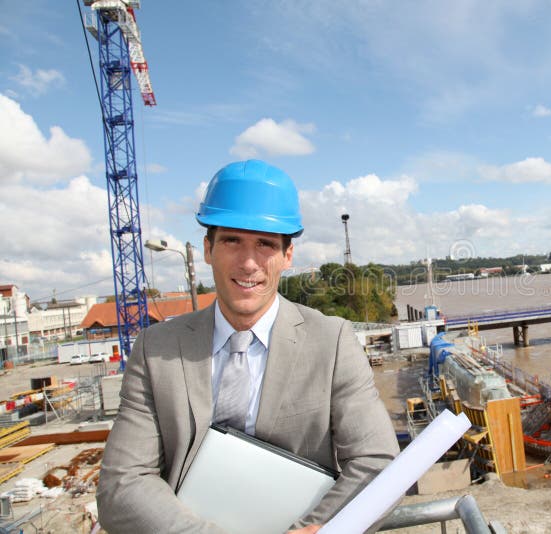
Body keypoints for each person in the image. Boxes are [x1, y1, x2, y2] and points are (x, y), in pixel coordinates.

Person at [97, 160, 400, 533]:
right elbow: (122, 484)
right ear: (208, 249)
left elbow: (377, 463)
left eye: (265, 244)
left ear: (288, 256)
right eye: (232, 241)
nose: (249, 262)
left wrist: (316, 528)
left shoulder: (331, 343)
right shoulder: (156, 350)